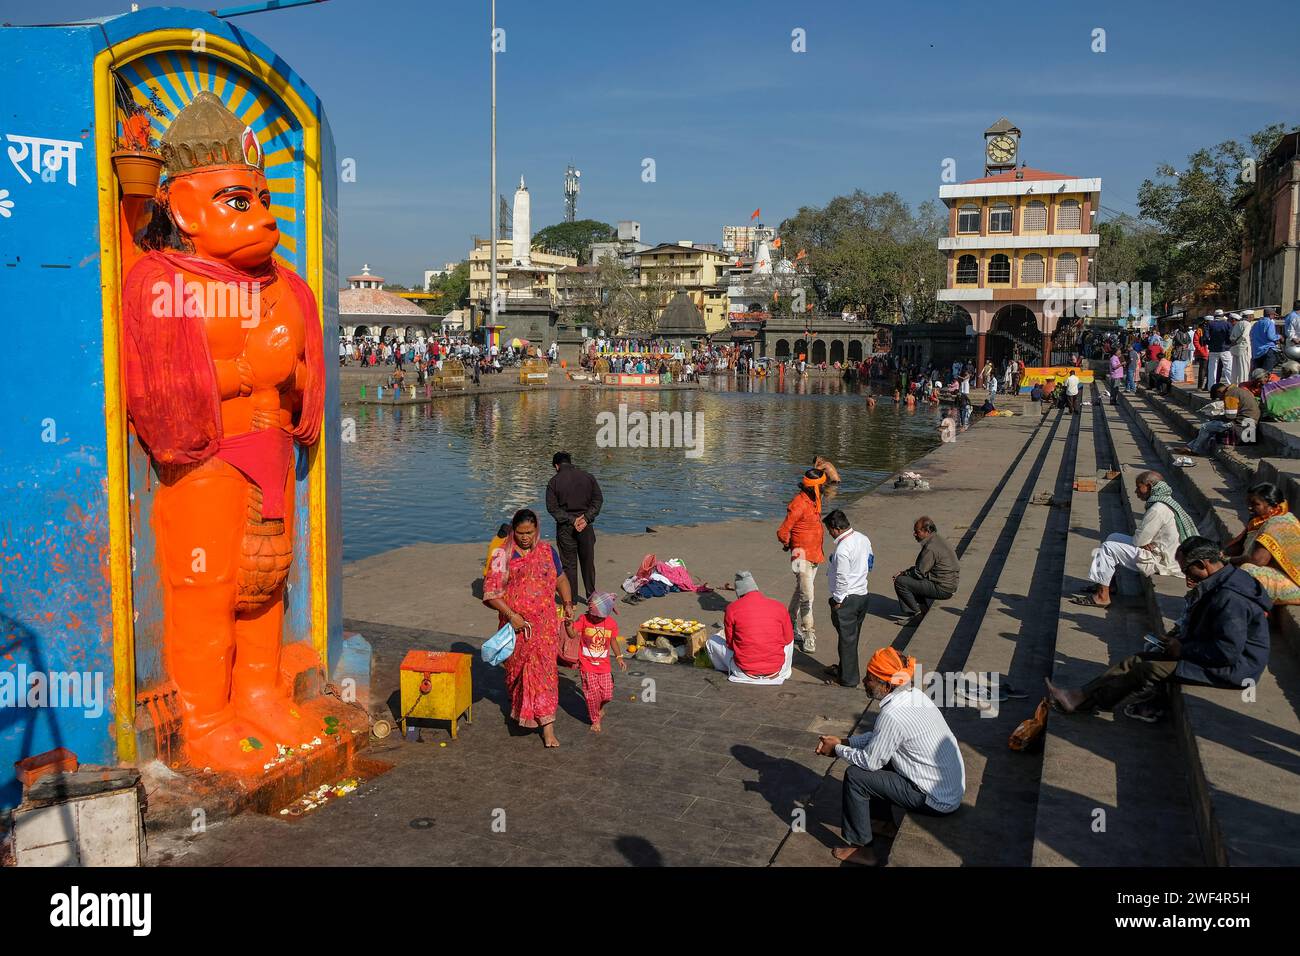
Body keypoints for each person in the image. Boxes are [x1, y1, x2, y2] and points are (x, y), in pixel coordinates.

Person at [1048, 536, 1270, 723]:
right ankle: (1081, 695)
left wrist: (1183, 650)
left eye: (1187, 570)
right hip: (1215, 652)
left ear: (1203, 564)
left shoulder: (1230, 598)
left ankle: (1088, 702)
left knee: (1146, 668)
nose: (1186, 576)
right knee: (1136, 659)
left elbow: (1227, 652)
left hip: (1237, 668)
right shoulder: (1224, 579)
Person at [816, 647, 966, 866]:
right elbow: (880, 738)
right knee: (882, 758)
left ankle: (862, 848)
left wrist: (837, 751)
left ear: (886, 685)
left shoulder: (892, 714)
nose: (865, 682)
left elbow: (870, 762)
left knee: (856, 776)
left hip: (936, 799)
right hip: (947, 787)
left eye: (870, 678)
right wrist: (844, 742)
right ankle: (882, 823)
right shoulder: (913, 695)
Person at [482, 508, 575, 748]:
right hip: (516, 627)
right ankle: (521, 710)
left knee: (544, 673)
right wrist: (512, 615)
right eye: (521, 532)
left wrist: (567, 603)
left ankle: (547, 727)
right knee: (517, 673)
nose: (525, 537)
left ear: (537, 530)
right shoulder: (502, 554)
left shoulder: (546, 551)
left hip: (544, 627)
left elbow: (561, 579)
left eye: (530, 532)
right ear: (513, 530)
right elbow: (491, 593)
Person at [1072, 471, 1194, 608]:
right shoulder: (1165, 502)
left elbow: (1139, 541)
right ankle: (1108, 584)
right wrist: (1146, 543)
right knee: (1113, 538)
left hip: (1163, 560)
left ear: (1149, 486)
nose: (1136, 491)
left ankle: (1102, 596)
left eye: (1139, 487)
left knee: (1108, 548)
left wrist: (1146, 543)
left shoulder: (1158, 509)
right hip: (1161, 551)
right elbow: (1143, 540)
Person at [706, 571, 796, 683]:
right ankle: (785, 672)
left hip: (744, 672)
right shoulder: (779, 606)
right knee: (789, 639)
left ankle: (726, 669)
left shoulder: (732, 608)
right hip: (776, 672)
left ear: (739, 593)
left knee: (712, 641)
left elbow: (730, 644)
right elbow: (787, 639)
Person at [1223, 482, 1300, 605]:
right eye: (1249, 503)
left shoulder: (1278, 523)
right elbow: (1240, 545)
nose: (1249, 508)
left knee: (1246, 572)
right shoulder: (1259, 521)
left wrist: (1228, 560)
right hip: (1279, 574)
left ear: (1272, 506)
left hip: (1295, 584)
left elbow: (1258, 560)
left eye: (1255, 504)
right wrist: (1219, 556)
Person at [777, 469, 827, 653]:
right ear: (815, 488)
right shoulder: (798, 504)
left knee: (801, 591)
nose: (824, 490)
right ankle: (809, 634)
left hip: (815, 554)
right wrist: (788, 543)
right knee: (808, 596)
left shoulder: (815, 498)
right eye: (822, 486)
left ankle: (789, 622)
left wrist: (824, 466)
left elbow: (833, 479)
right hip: (800, 555)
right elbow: (782, 531)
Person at [822, 510, 873, 688]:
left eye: (829, 530)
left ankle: (848, 679)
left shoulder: (843, 549)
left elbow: (842, 578)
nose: (829, 533)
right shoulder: (863, 538)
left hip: (847, 599)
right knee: (851, 636)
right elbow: (870, 562)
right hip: (862, 595)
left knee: (847, 640)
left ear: (835, 528)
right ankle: (844, 668)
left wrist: (838, 600)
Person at [545, 451, 603, 602]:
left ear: (556, 466)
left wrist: (571, 520)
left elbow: (552, 508)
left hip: (565, 528)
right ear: (570, 463)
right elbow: (598, 500)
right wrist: (586, 517)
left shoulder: (554, 482)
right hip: (586, 526)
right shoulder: (588, 477)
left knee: (569, 564)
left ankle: (572, 600)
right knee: (588, 561)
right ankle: (591, 596)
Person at [566, 590, 625, 732]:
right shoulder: (584, 619)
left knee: (607, 694)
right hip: (587, 665)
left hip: (604, 666)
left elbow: (613, 641)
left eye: (599, 618)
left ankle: (600, 707)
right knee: (592, 694)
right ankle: (595, 719)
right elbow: (572, 634)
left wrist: (619, 657)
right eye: (593, 616)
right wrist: (569, 624)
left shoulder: (610, 624)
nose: (595, 619)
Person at [892, 517, 959, 623]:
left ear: (927, 531)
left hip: (943, 588)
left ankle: (916, 614)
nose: (914, 534)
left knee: (901, 581)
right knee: (912, 579)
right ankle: (922, 609)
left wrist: (904, 573)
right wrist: (907, 572)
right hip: (950, 584)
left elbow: (919, 573)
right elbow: (922, 569)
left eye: (917, 531)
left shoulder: (930, 548)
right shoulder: (937, 539)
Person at [1179, 381, 1261, 455]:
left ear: (1219, 392)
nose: (1221, 399)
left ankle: (1196, 450)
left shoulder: (1230, 394)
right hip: (1248, 422)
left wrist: (1216, 417)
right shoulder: (1237, 390)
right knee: (1210, 426)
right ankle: (1190, 447)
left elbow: (1230, 416)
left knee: (1206, 427)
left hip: (1242, 425)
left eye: (1219, 397)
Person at [1205, 310, 1233, 388]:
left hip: (1213, 349)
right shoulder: (1227, 324)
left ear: (1214, 316)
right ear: (1222, 315)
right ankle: (1231, 385)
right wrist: (1228, 344)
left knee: (1212, 369)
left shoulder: (1210, 324)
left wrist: (1210, 344)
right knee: (1228, 368)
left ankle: (1211, 387)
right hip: (1225, 349)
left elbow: (1206, 337)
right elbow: (1230, 336)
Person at [1251, 307, 1281, 373]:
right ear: (1270, 314)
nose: (1274, 316)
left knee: (1258, 373)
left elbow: (1251, 335)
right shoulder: (1270, 323)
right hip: (1267, 350)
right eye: (1274, 315)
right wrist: (1279, 337)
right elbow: (1271, 337)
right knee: (1266, 373)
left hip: (1257, 351)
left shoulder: (1256, 323)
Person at [1229, 312, 1253, 385]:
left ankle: (1234, 385)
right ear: (1249, 316)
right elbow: (1244, 335)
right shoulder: (1247, 324)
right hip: (1244, 349)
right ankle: (1243, 386)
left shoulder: (1237, 324)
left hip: (1236, 349)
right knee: (1244, 369)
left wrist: (1235, 342)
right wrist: (1238, 342)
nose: (1253, 317)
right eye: (1252, 316)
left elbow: (1231, 337)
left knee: (1235, 370)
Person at [1193, 322, 1209, 391]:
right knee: (1203, 370)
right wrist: (1201, 350)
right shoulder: (1199, 331)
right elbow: (1196, 342)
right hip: (1204, 353)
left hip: (1212, 352)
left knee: (1210, 371)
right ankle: (1200, 386)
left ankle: (1207, 386)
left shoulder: (1211, 328)